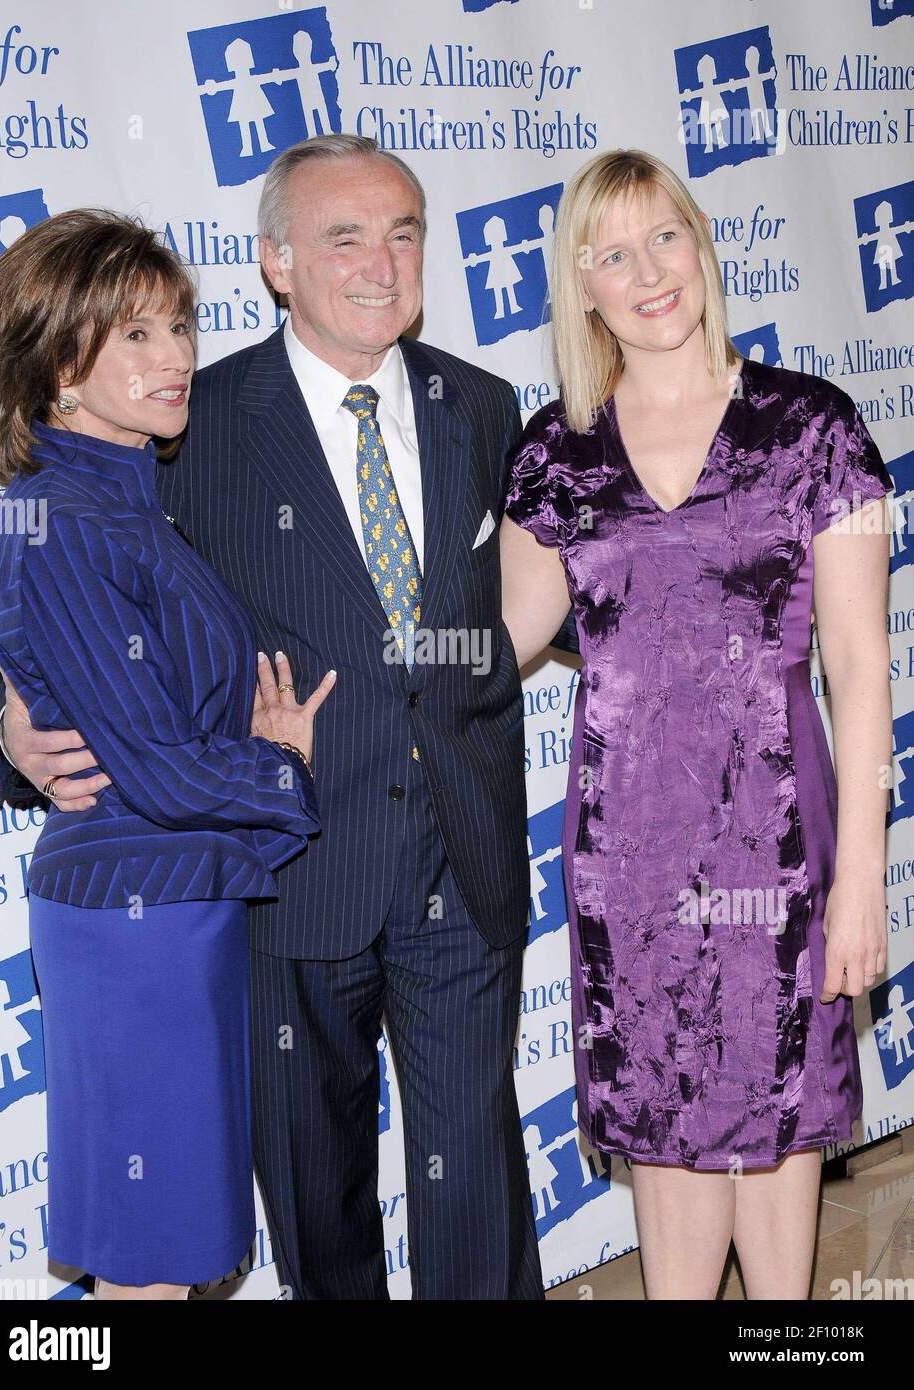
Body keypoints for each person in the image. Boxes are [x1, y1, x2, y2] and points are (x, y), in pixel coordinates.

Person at [0, 135, 574, 1299]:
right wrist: (19, 741)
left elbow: (533, 603)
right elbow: (78, 610)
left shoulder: (486, 406)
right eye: (342, 236)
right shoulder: (183, 423)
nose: (379, 262)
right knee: (314, 1199)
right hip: (284, 869)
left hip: (460, 856)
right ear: (274, 262)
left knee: (477, 1186)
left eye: (402, 231)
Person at [500, 148, 893, 1300]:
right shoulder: (555, 448)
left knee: (782, 1117)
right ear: (583, 286)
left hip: (781, 837)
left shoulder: (810, 427)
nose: (646, 271)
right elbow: (497, 639)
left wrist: (860, 881)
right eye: (611, 253)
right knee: (664, 1134)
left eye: (662, 236)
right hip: (628, 851)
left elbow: (861, 669)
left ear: (701, 242)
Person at [0, 209, 332, 1300]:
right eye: (134, 334)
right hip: (141, 932)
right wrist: (283, 768)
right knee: (150, 1260)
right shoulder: (61, 518)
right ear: (56, 365)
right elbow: (164, 770)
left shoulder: (130, 510)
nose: (176, 355)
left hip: (176, 914)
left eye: (178, 326)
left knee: (164, 1251)